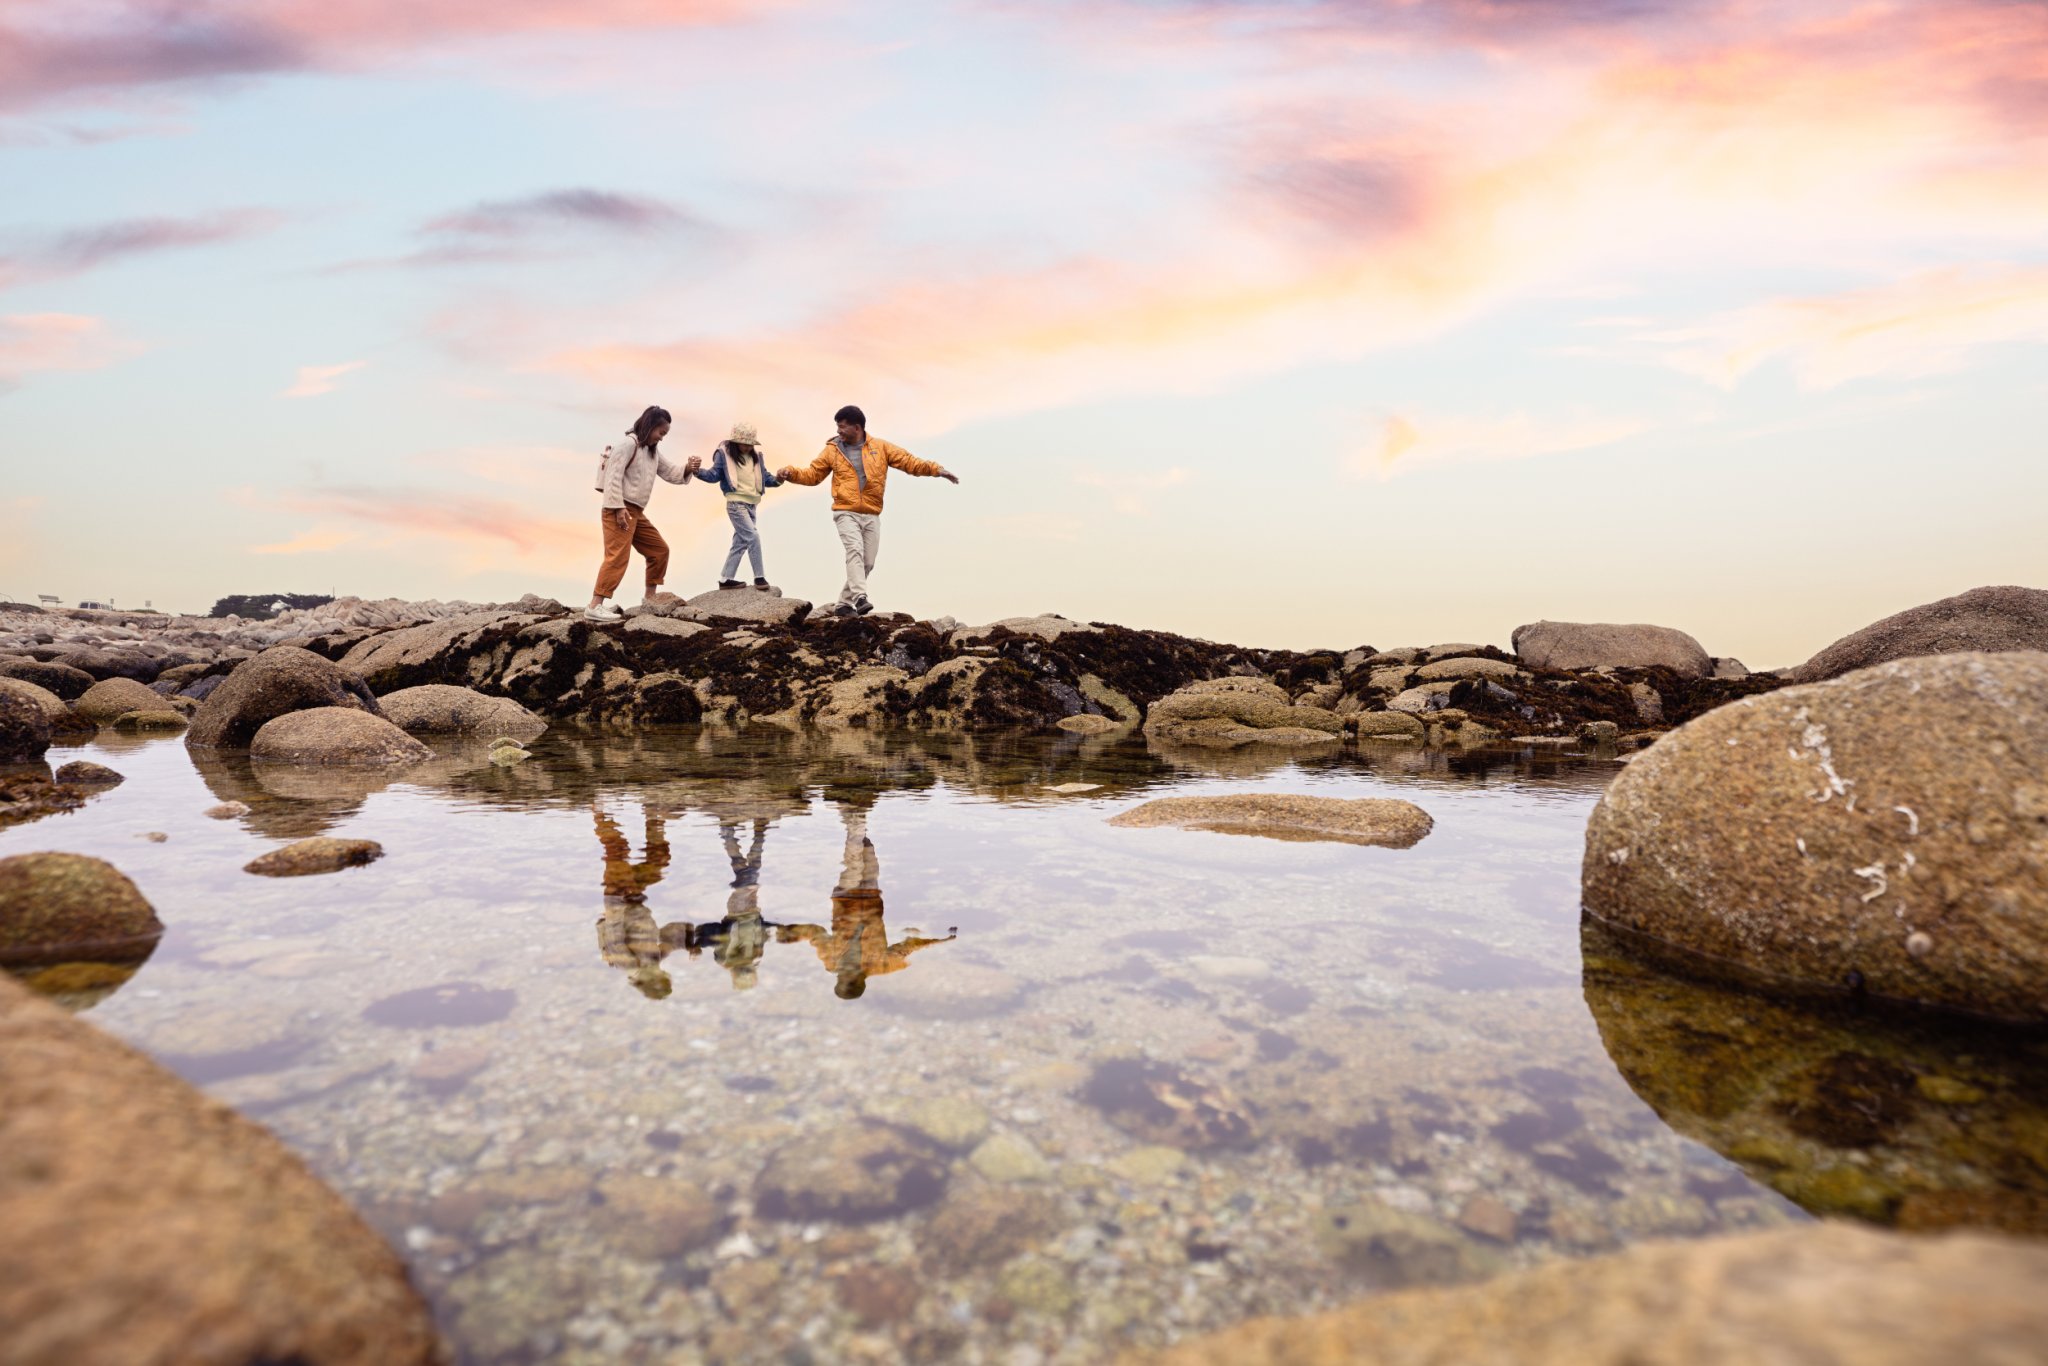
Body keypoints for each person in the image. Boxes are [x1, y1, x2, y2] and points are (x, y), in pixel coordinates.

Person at [777, 404, 959, 617]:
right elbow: (813, 475)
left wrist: (937, 470)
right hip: (845, 510)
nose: (838, 431)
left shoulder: (880, 447)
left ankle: (844, 604)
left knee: (868, 562)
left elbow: (909, 462)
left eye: (842, 427)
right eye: (837, 426)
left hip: (872, 512)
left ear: (857, 427)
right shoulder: (832, 450)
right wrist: (791, 473)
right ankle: (860, 597)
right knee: (854, 550)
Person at [778, 800, 954, 998]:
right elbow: (907, 946)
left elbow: (815, 933)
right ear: (861, 981)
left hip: (845, 899)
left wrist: (790, 931)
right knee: (868, 849)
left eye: (843, 977)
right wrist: (939, 941)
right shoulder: (881, 965)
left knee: (854, 864)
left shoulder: (830, 960)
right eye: (851, 978)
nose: (847, 973)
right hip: (871, 898)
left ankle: (856, 815)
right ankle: (850, 815)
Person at [587, 405, 693, 623]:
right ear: (650, 426)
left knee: (659, 550)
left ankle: (650, 598)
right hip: (619, 508)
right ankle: (595, 606)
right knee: (617, 555)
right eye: (661, 432)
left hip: (636, 511)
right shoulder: (628, 444)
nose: (662, 438)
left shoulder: (652, 451)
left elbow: (671, 472)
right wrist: (618, 509)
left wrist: (689, 468)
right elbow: (613, 477)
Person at [688, 421, 783, 590]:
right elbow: (713, 475)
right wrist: (696, 471)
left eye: (750, 444)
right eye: (744, 444)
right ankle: (759, 577)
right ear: (735, 442)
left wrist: (779, 479)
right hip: (735, 504)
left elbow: (766, 478)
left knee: (740, 543)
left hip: (752, 505)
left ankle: (726, 579)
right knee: (753, 536)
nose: (747, 447)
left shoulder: (756, 458)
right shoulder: (724, 454)